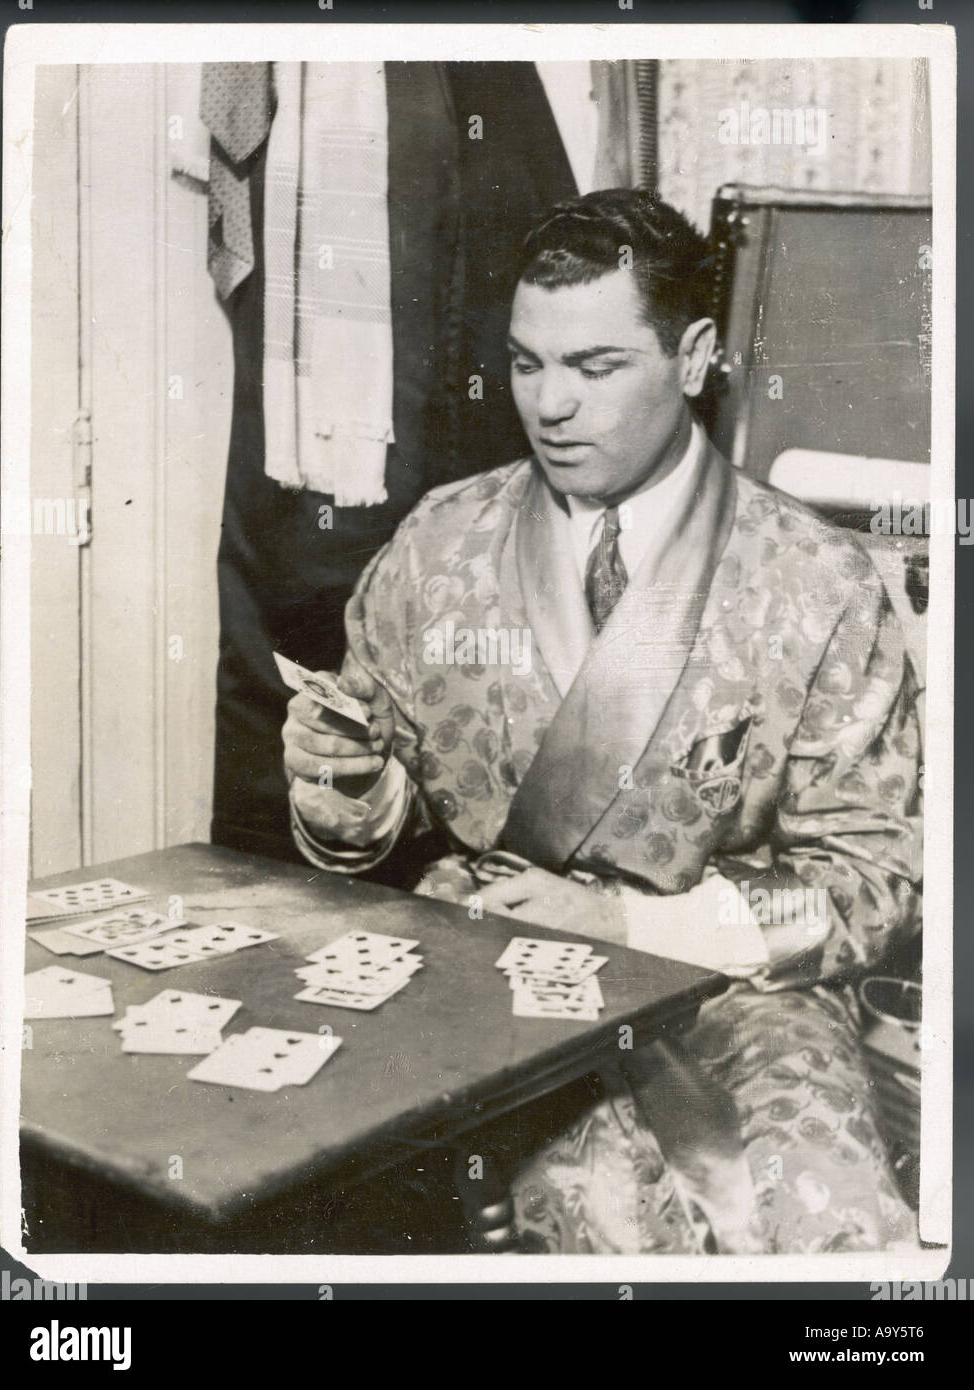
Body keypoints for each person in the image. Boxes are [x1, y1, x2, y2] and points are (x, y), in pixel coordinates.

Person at [280, 188, 923, 1254]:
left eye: (595, 366)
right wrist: (346, 784)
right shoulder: (440, 544)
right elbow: (368, 826)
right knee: (562, 1213)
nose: (548, 405)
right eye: (528, 362)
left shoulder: (817, 580)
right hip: (483, 976)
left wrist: (628, 927)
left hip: (743, 1002)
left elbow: (870, 886)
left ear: (695, 353)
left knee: (831, 1221)